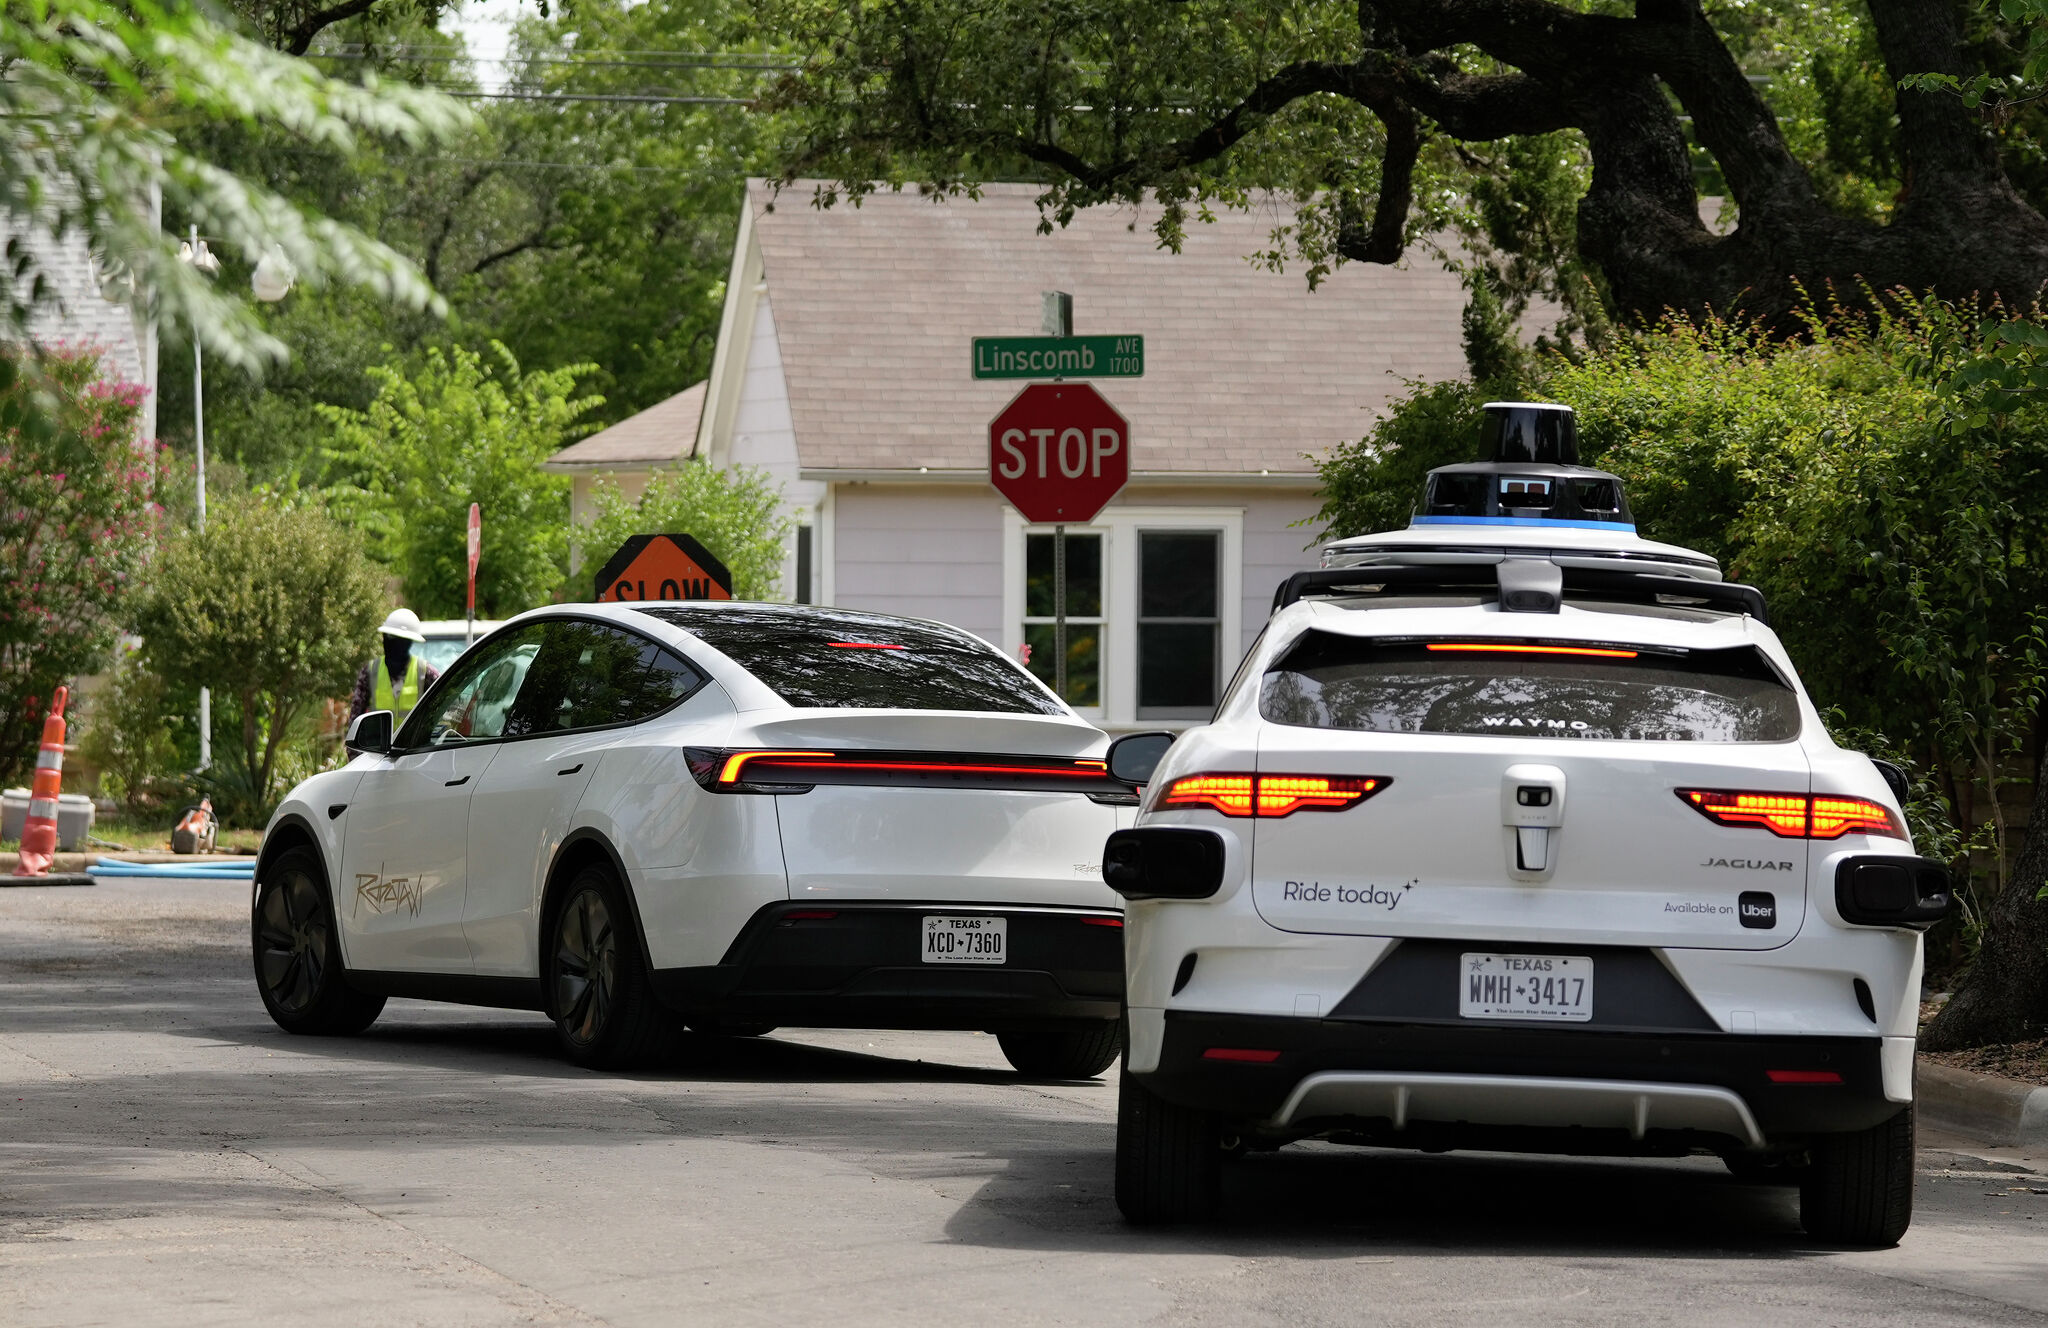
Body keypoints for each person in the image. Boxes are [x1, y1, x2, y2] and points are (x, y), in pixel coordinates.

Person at [348, 608, 441, 729]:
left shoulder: (425, 672)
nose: (390, 643)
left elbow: (446, 703)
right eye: (387, 637)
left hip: (411, 747)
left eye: (397, 639)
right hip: (378, 747)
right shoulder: (370, 671)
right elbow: (355, 716)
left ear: (408, 642)